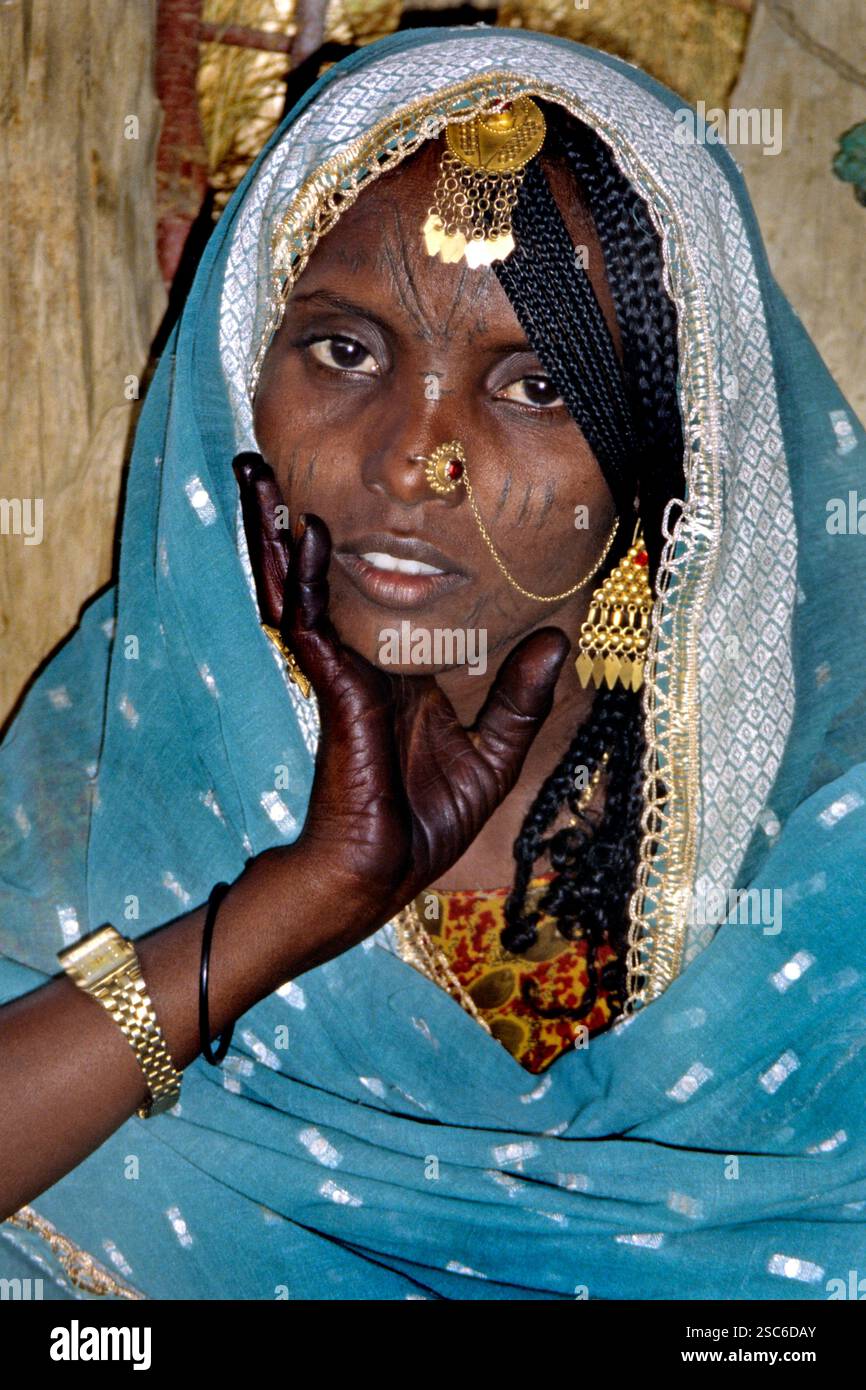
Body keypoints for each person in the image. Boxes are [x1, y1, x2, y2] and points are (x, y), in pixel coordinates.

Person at [1, 25, 865, 1302]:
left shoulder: (818, 836)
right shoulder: (129, 733)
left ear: (666, 456)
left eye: (532, 388)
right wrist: (293, 904)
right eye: (344, 352)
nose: (416, 458)